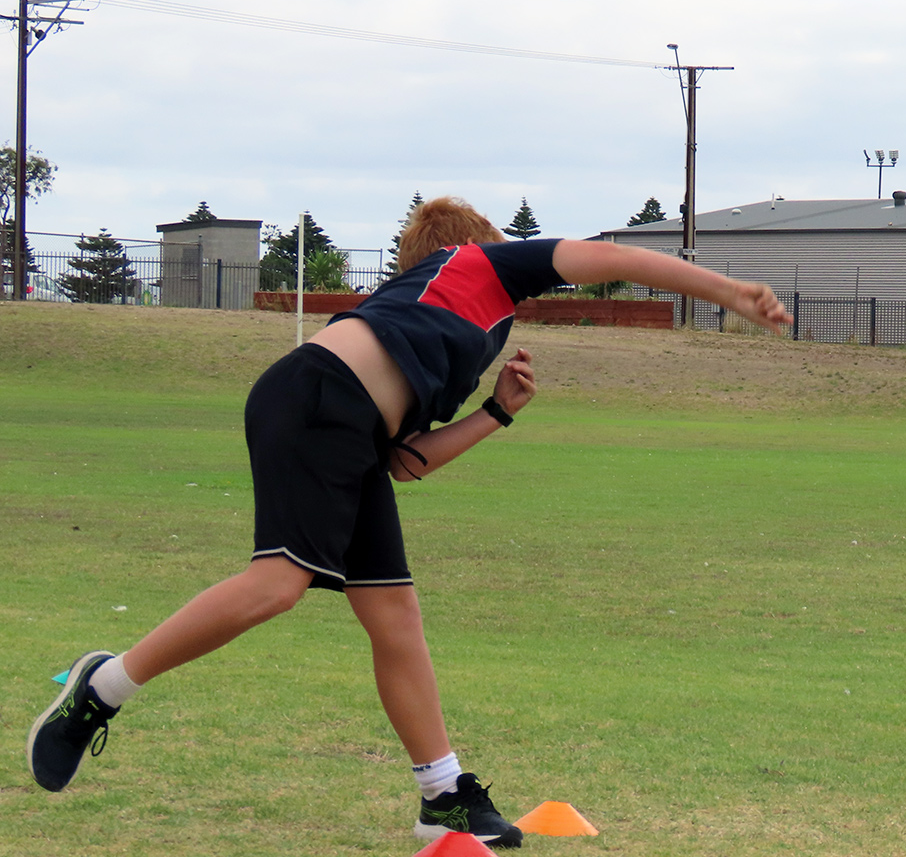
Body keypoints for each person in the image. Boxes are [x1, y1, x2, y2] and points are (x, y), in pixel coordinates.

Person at [27, 196, 790, 848]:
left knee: (394, 611)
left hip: (350, 425)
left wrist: (496, 413)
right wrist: (727, 292)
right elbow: (598, 256)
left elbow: (407, 461)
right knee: (278, 585)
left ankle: (443, 794)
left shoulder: (436, 325)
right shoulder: (478, 268)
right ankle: (104, 686)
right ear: (472, 249)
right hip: (318, 399)